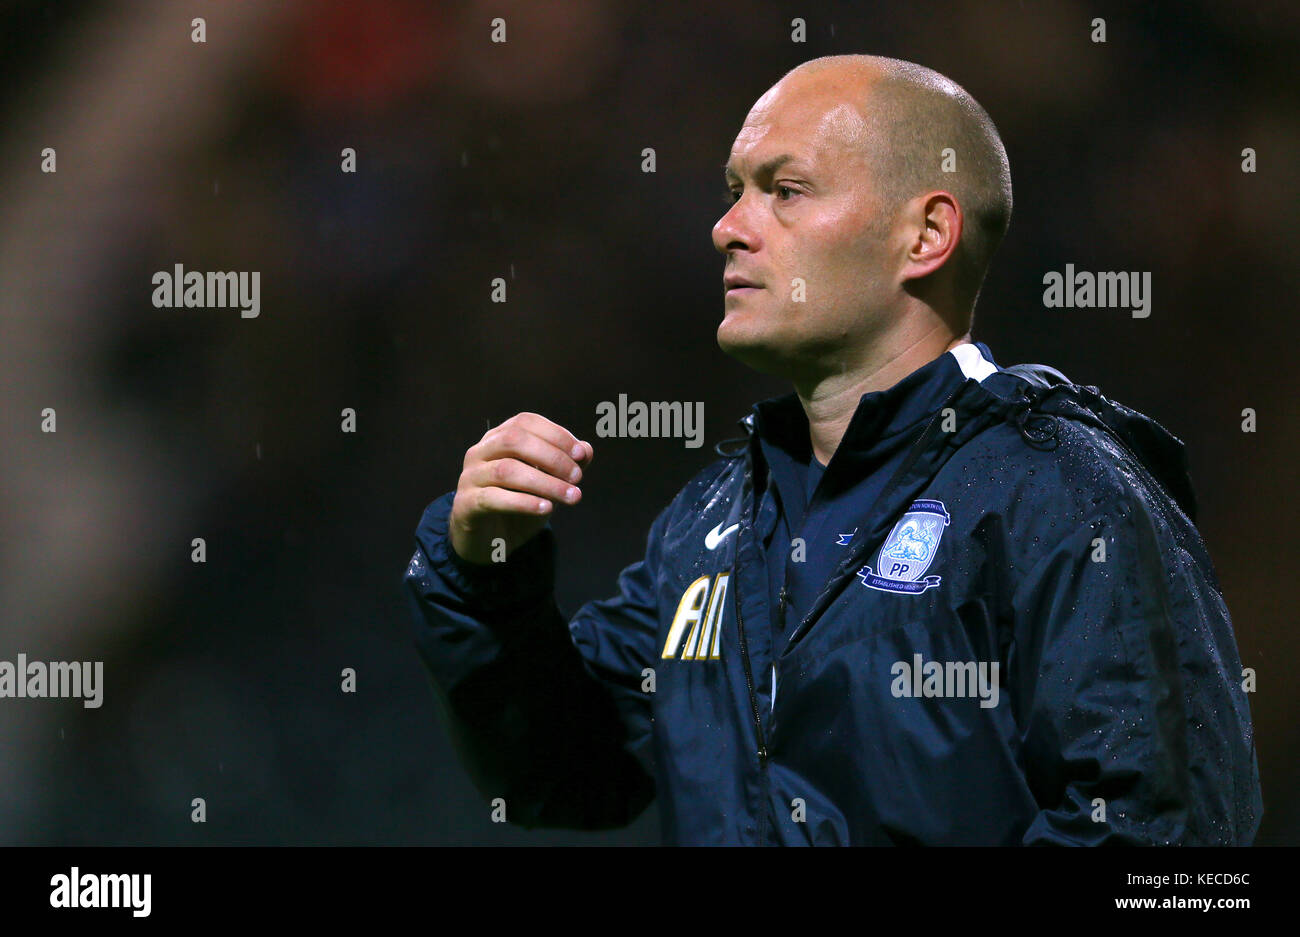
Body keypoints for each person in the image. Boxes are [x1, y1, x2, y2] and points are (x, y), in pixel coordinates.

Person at [402, 54, 1262, 845]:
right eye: (734, 190)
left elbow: (1165, 847)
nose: (727, 227)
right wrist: (483, 571)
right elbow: (558, 770)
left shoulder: (1064, 493)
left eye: (785, 190)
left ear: (925, 235)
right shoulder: (713, 523)